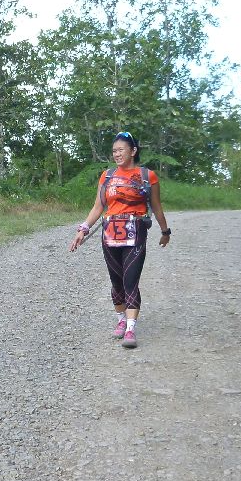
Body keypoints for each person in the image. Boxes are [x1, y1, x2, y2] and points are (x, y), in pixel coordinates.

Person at [68, 132, 172, 348]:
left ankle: (131, 329)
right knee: (116, 281)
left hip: (136, 232)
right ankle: (121, 321)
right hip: (110, 233)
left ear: (133, 151)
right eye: (114, 151)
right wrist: (83, 229)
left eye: (121, 150)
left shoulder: (147, 176)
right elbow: (98, 207)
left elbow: (157, 206)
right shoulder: (107, 176)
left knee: (130, 280)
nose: (116, 154)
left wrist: (165, 231)